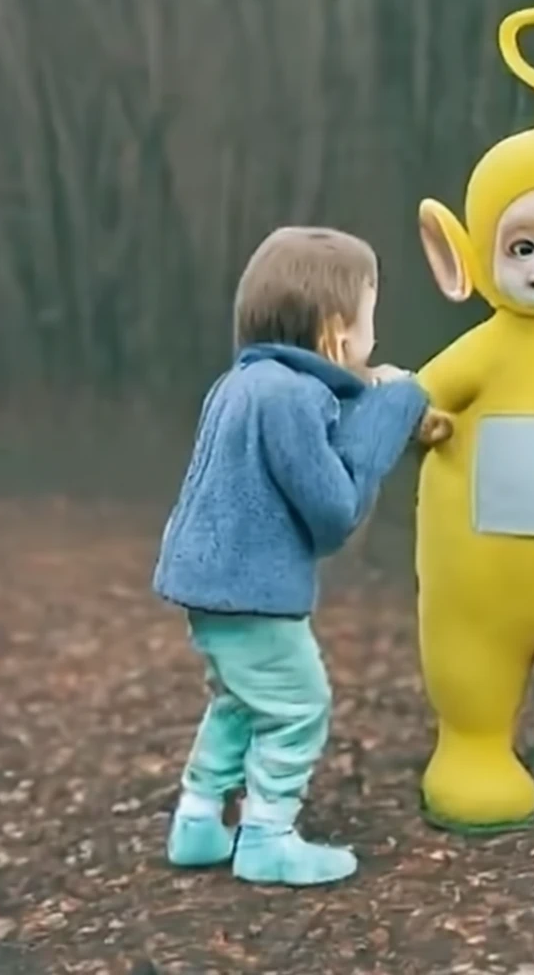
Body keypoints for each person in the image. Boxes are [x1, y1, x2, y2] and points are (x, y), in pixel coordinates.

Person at [153, 226, 429, 886]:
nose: (376, 338)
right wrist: (393, 408)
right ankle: (267, 837)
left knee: (241, 700)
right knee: (300, 704)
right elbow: (334, 510)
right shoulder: (293, 395)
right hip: (253, 590)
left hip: (207, 584)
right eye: (370, 320)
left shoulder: (244, 381)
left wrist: (362, 395)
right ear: (336, 333)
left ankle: (197, 821)